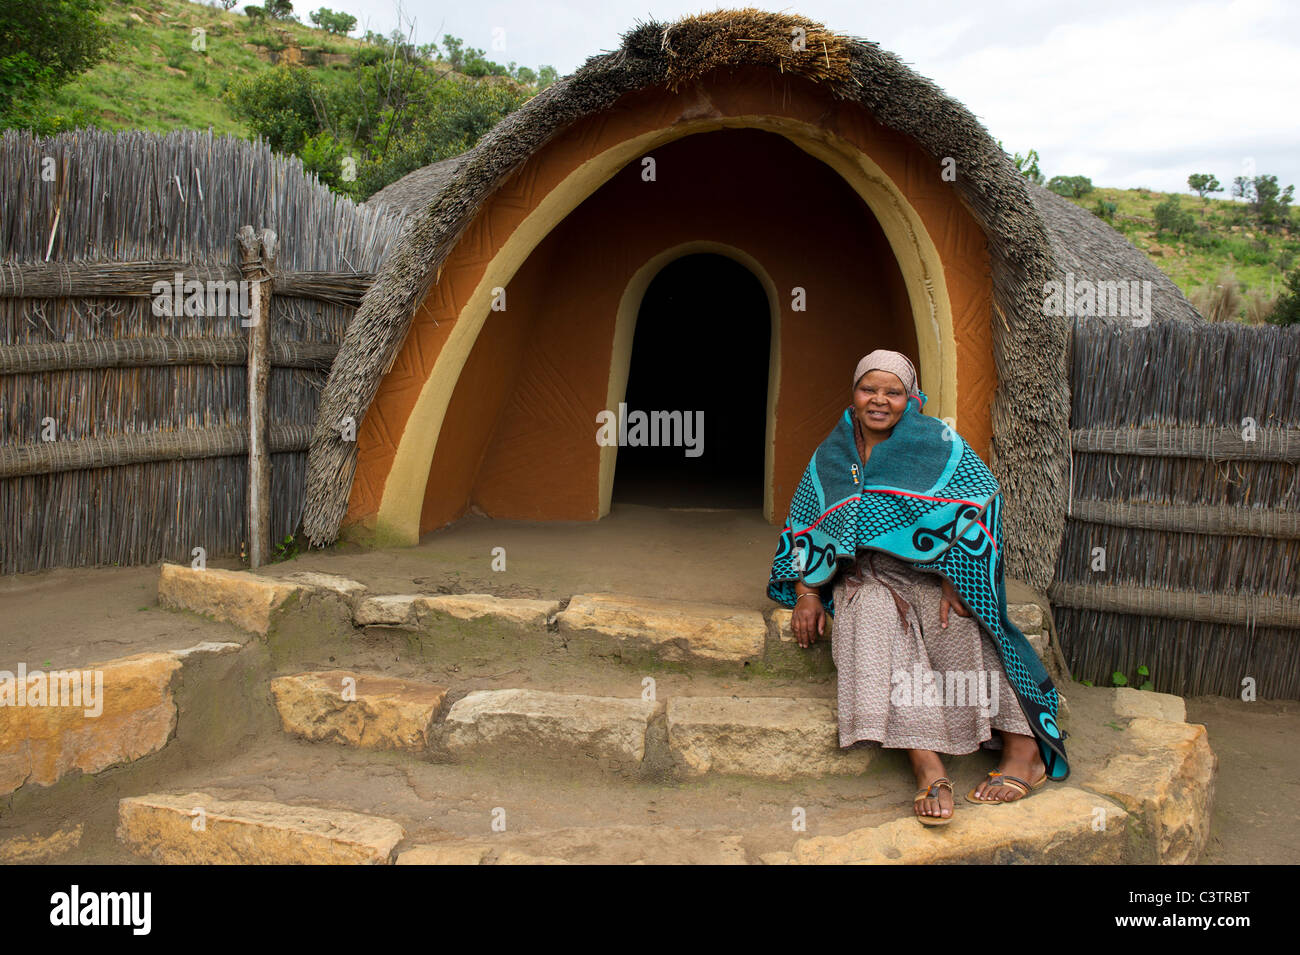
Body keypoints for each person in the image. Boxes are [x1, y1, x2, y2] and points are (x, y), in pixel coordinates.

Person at [766, 349, 1069, 826]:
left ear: (911, 398)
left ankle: (1023, 749)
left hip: (931, 572)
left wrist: (958, 574)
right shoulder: (832, 453)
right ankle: (927, 765)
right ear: (854, 394)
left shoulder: (937, 442)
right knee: (871, 617)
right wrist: (807, 592)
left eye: (894, 392)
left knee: (964, 625)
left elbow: (981, 498)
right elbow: (807, 522)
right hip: (864, 577)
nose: (880, 401)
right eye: (869, 389)